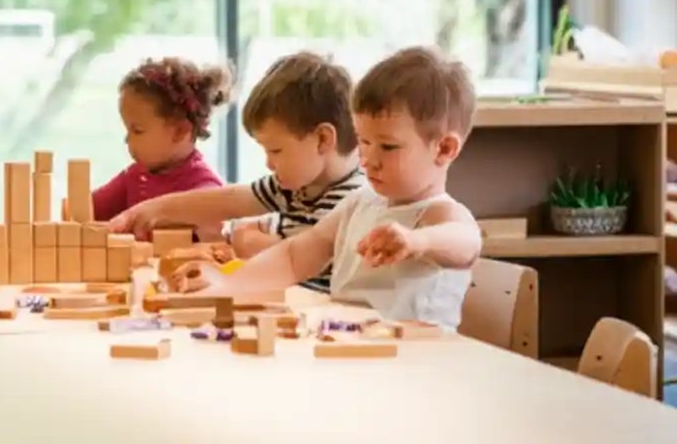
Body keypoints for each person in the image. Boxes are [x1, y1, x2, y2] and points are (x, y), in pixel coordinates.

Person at [174, 46, 482, 330]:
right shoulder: (360, 203)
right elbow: (294, 256)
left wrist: (419, 241)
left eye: (387, 147)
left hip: (419, 364)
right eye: (364, 141)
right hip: (355, 349)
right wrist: (231, 285)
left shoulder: (439, 213)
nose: (368, 159)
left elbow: (466, 244)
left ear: (443, 150)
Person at [110, 52, 363, 268]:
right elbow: (228, 200)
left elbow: (305, 266)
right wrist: (148, 211)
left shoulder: (352, 202)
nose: (269, 164)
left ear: (322, 139)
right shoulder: (294, 185)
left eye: (275, 151)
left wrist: (257, 244)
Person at [88, 56, 234, 222]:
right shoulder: (135, 176)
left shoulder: (204, 187)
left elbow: (216, 229)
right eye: (127, 130)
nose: (127, 140)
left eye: (137, 130)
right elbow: (87, 210)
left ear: (180, 131)